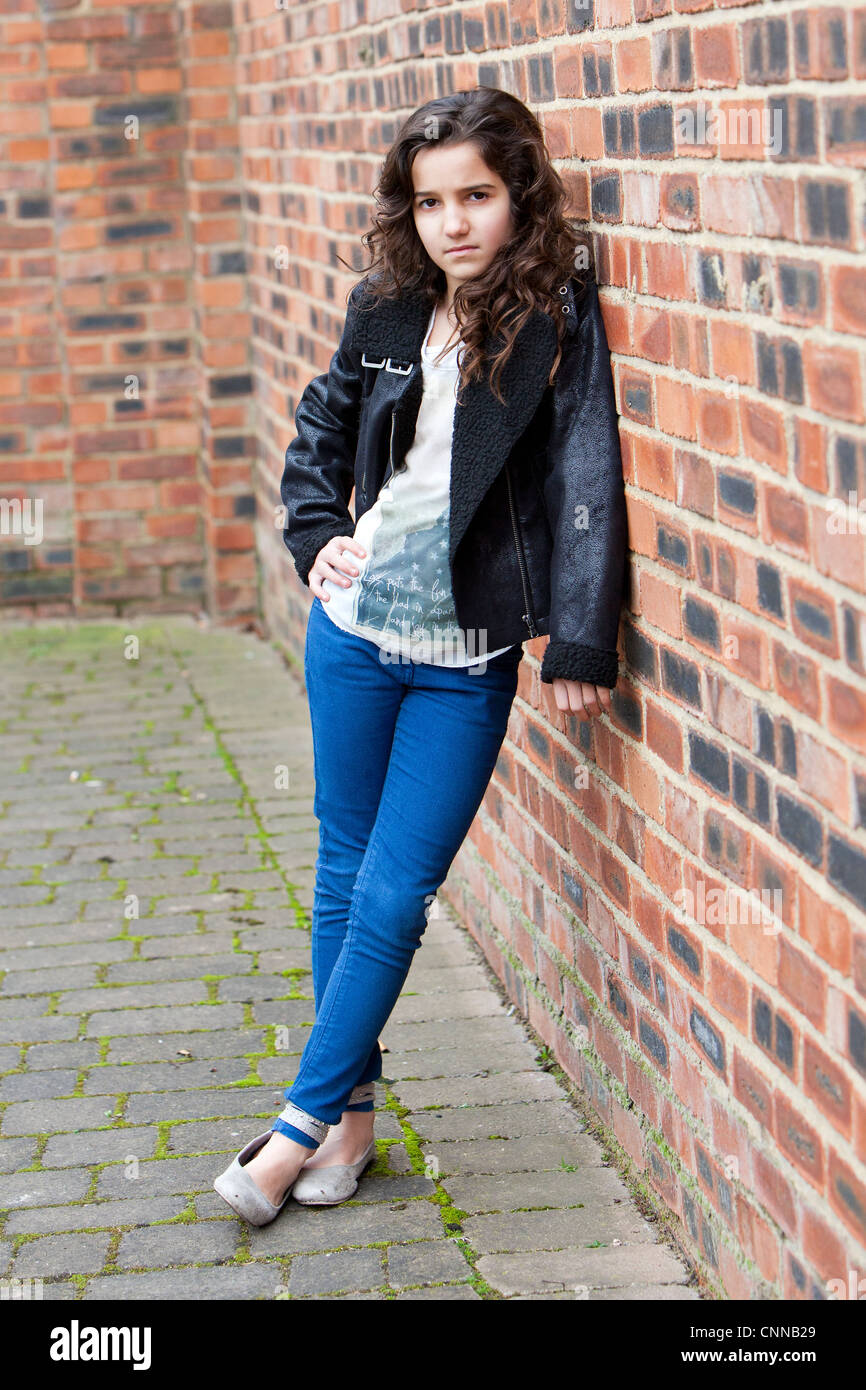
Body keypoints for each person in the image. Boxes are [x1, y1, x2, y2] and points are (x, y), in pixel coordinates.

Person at [214, 86, 628, 1225]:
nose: (453, 223)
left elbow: (584, 476)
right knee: (342, 872)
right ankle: (348, 1123)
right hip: (350, 636)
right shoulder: (386, 306)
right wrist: (313, 537)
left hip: (463, 652)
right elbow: (317, 432)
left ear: (519, 197)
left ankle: (293, 1127)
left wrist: (579, 637)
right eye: (431, 200)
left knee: (398, 888)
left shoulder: (555, 316)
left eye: (478, 197)